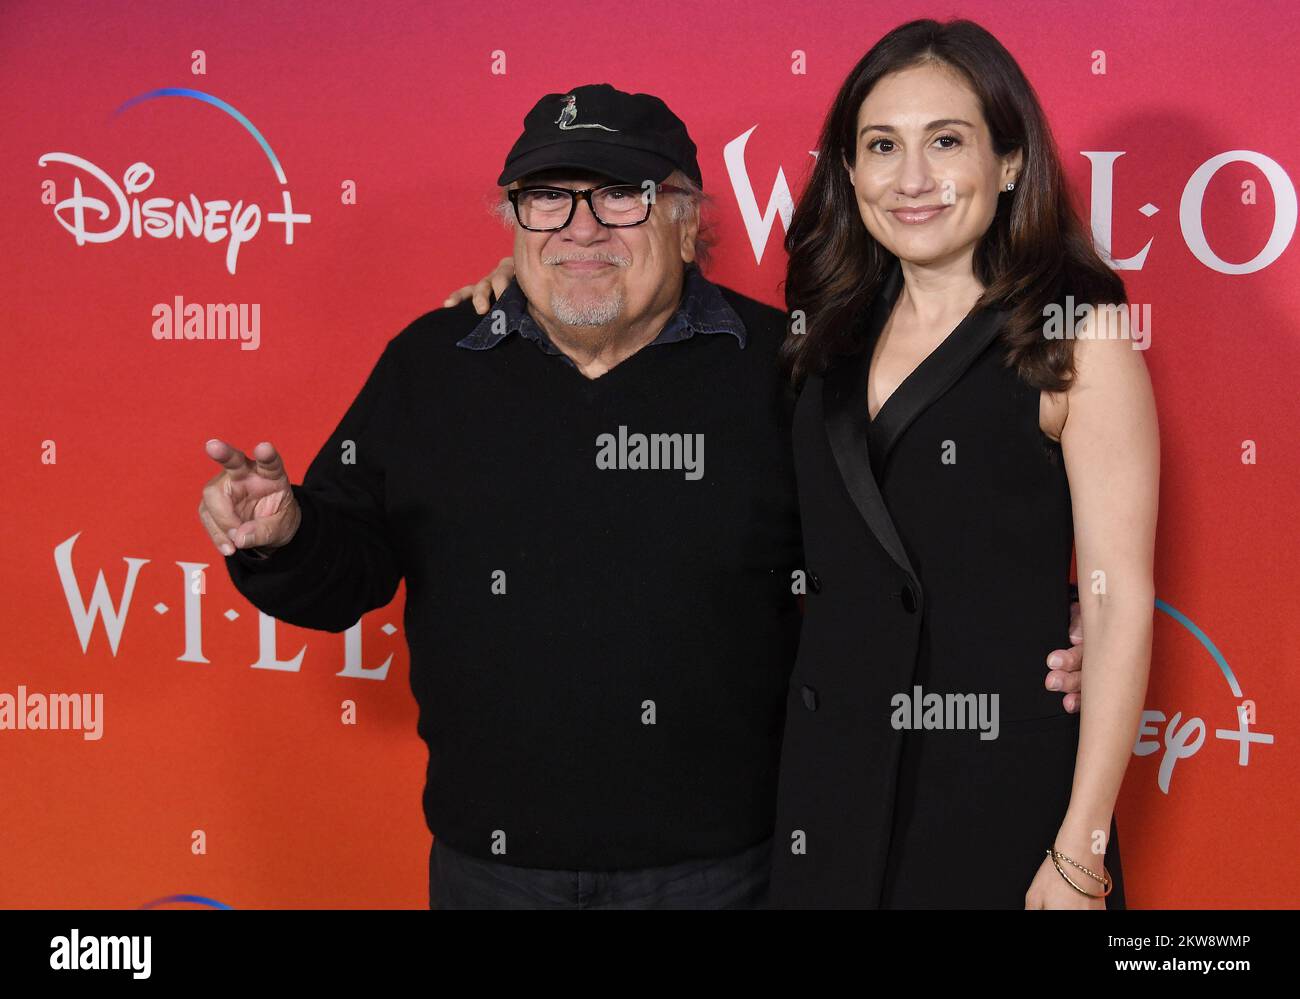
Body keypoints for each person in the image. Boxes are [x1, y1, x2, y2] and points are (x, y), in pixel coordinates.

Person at [200, 83, 1084, 910]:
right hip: (491, 870)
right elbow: (343, 569)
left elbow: (896, 565)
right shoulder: (432, 364)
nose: (581, 228)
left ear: (686, 218)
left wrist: (1050, 631)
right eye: (548, 197)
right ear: (515, 218)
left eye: (621, 195)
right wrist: (283, 535)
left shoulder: (789, 369)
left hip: (727, 871)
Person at [766, 19, 1158, 908]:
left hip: (999, 793)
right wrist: (514, 292)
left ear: (1010, 161)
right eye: (881, 146)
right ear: (850, 171)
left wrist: (1080, 852)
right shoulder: (820, 329)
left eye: (946, 141)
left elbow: (1118, 598)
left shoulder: (1078, 334)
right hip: (826, 796)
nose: (911, 179)